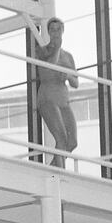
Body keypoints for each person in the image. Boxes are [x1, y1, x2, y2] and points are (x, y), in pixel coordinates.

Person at [34, 17, 79, 167]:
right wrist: (57, 48)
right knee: (61, 139)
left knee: (72, 142)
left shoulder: (68, 57)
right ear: (48, 32)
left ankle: (52, 171)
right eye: (52, 30)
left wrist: (67, 75)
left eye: (58, 29)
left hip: (63, 99)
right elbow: (49, 68)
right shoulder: (42, 50)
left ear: (62, 31)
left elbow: (75, 83)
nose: (55, 33)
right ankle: (61, 174)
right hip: (48, 98)